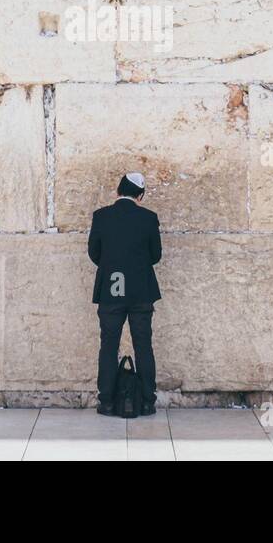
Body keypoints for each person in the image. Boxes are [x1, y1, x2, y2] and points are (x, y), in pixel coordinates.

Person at [89, 172, 161, 417]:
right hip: (141, 291)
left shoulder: (101, 217)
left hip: (111, 289)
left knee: (108, 346)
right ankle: (147, 401)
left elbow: (94, 253)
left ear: (118, 191)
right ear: (139, 195)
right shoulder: (149, 218)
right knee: (144, 346)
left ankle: (107, 401)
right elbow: (156, 256)